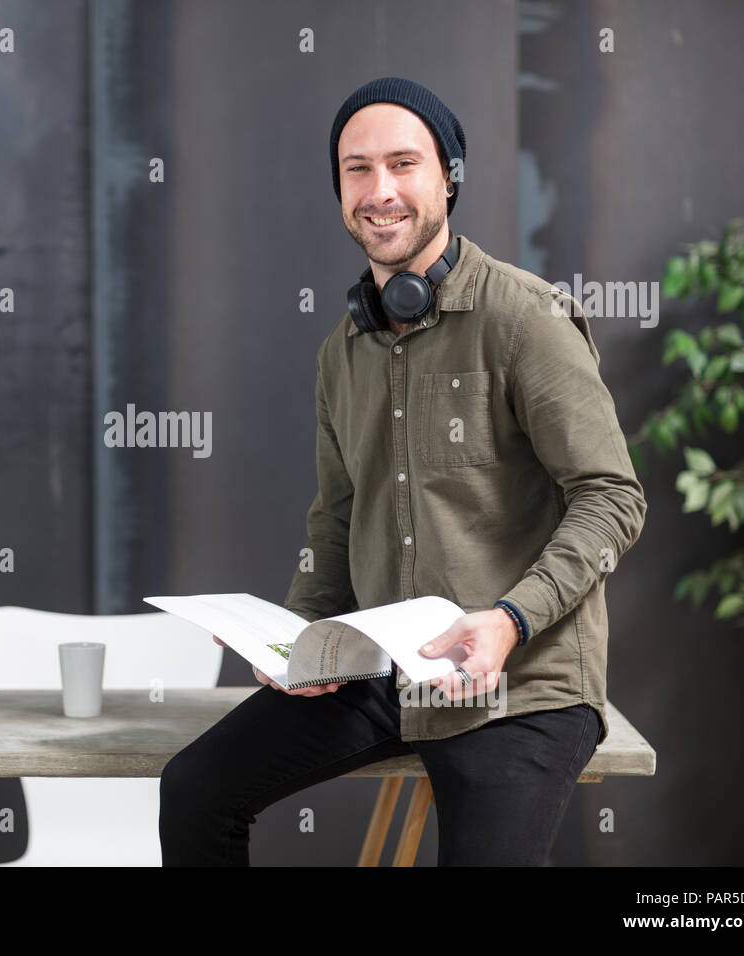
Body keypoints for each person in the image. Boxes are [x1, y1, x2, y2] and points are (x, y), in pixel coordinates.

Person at [158, 77, 647, 866]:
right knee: (193, 792)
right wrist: (298, 643)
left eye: (402, 164)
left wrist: (510, 620)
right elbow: (337, 518)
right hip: (389, 674)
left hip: (522, 684)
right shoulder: (341, 353)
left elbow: (611, 498)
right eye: (357, 170)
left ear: (447, 176)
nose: (379, 191)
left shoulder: (528, 318)